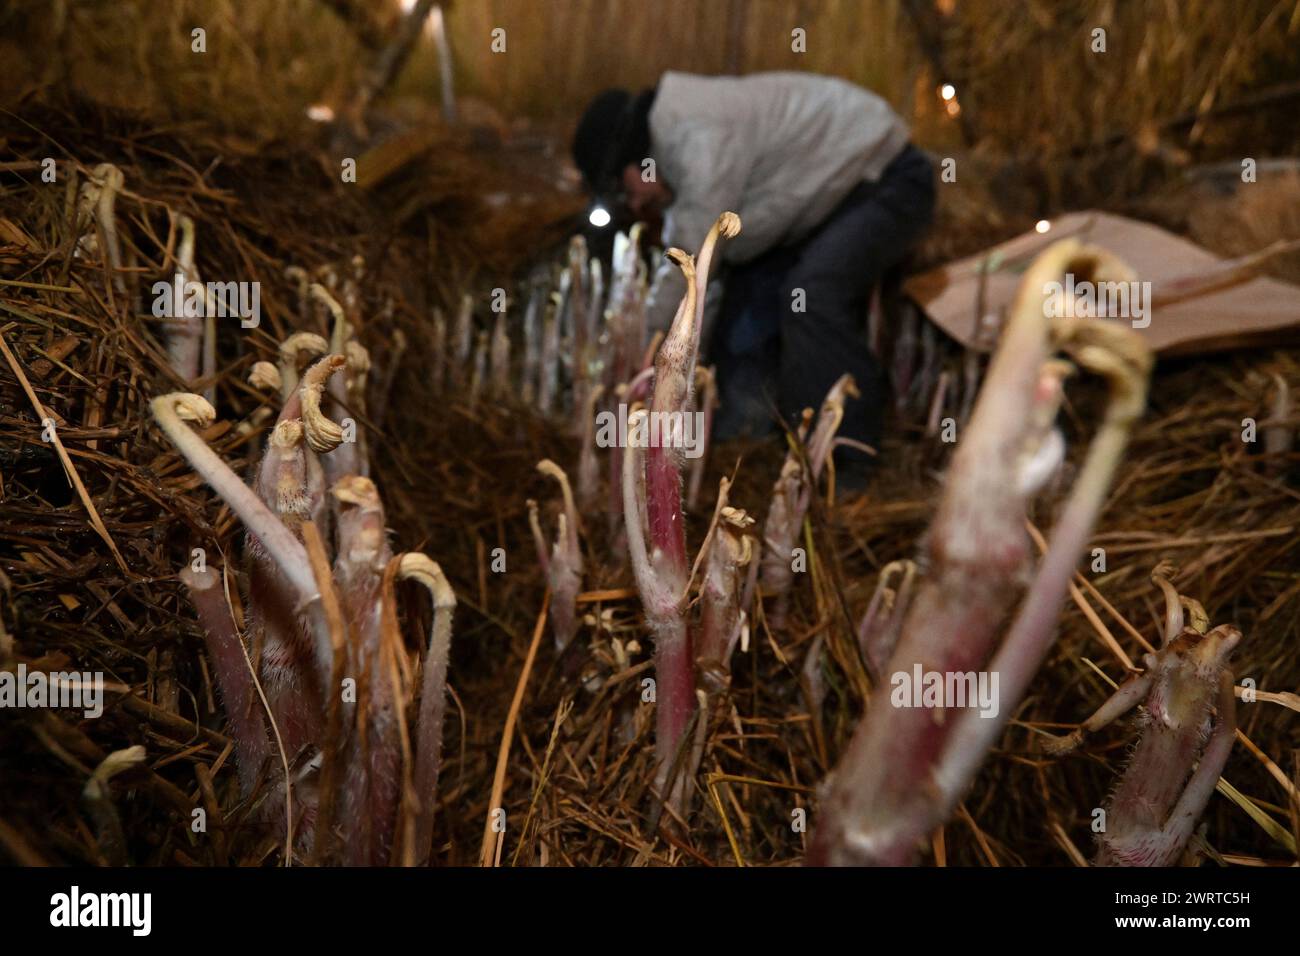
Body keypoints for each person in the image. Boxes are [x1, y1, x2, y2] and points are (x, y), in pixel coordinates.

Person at [571, 71, 936, 478]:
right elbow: (708, 264)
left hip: (886, 179)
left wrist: (642, 356)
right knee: (746, 295)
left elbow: (691, 270)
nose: (636, 205)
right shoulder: (678, 140)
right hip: (825, 197)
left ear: (635, 159)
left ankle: (844, 463)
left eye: (626, 190)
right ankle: (747, 434)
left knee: (811, 295)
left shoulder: (699, 135)